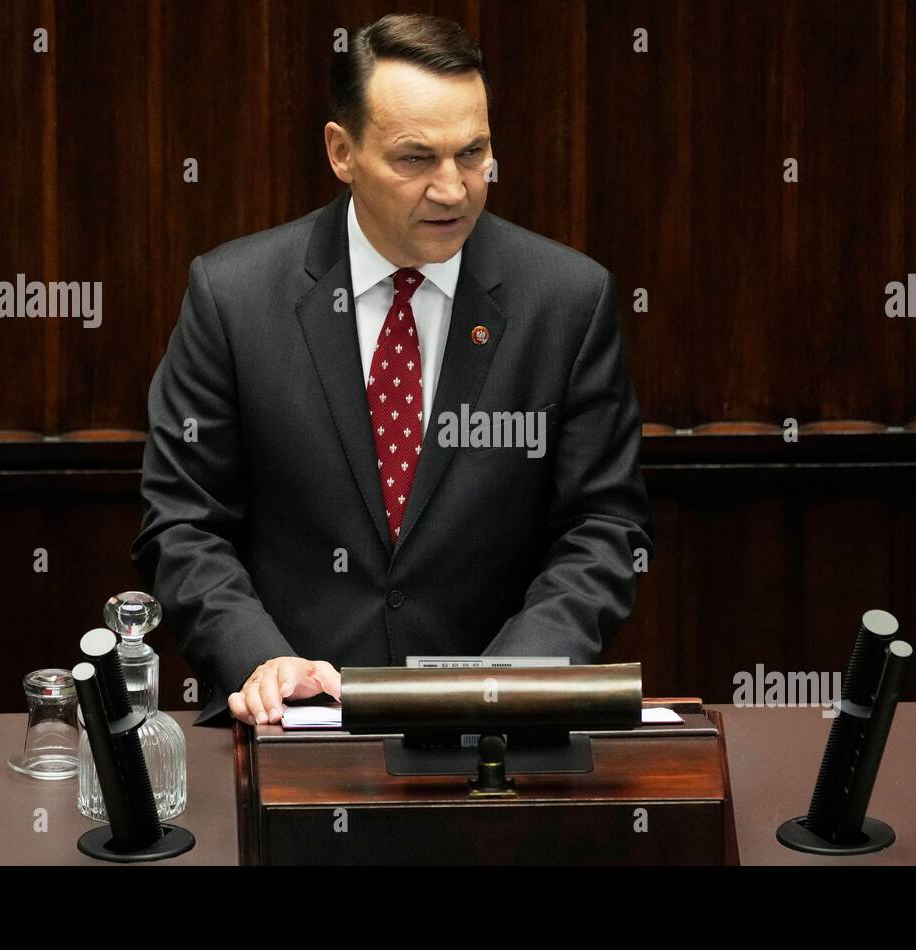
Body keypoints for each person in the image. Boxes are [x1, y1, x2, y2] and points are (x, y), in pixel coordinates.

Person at [131, 12, 652, 727]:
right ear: (341, 151)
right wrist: (261, 660)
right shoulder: (235, 298)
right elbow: (182, 521)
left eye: (474, 154)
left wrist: (507, 684)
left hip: (502, 756)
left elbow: (602, 527)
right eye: (416, 158)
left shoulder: (567, 301)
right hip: (292, 734)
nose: (454, 188)